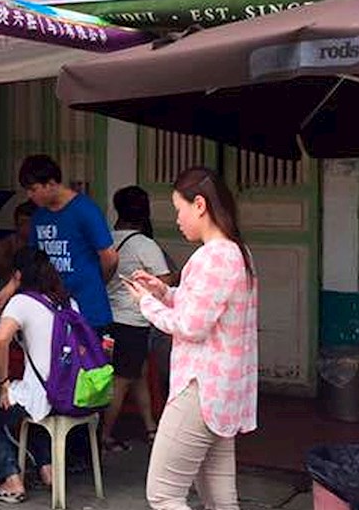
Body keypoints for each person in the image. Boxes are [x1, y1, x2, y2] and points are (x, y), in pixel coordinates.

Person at [120, 167, 259, 510]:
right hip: (223, 392)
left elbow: (191, 326)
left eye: (178, 209)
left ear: (199, 205)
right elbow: (204, 307)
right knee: (220, 500)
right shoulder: (237, 252)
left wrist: (146, 303)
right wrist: (164, 290)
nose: (177, 219)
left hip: (200, 389)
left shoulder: (212, 256)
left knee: (164, 494)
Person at [0, 247, 65, 504]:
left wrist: (3, 384)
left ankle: (12, 480)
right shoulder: (66, 300)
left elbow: (0, 342)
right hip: (69, 393)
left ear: (18, 275)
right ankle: (48, 470)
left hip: (43, 395)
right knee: (35, 406)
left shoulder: (22, 302)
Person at [101, 186, 172, 452]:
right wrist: (179, 277)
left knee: (138, 373)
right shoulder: (145, 245)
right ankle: (105, 435)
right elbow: (162, 284)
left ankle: (150, 426)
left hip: (109, 319)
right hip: (133, 322)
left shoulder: (106, 240)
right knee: (121, 380)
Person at [18, 155, 117, 331]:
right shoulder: (39, 216)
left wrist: (93, 281)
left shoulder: (85, 210)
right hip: (51, 310)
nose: (29, 195)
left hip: (89, 312)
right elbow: (32, 261)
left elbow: (109, 257)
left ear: (50, 183)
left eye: (33, 189)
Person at [0, 201, 36, 283]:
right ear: (16, 224)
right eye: (23, 223)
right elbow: (3, 272)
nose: (27, 227)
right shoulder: (6, 245)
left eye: (31, 223)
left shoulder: (44, 242)